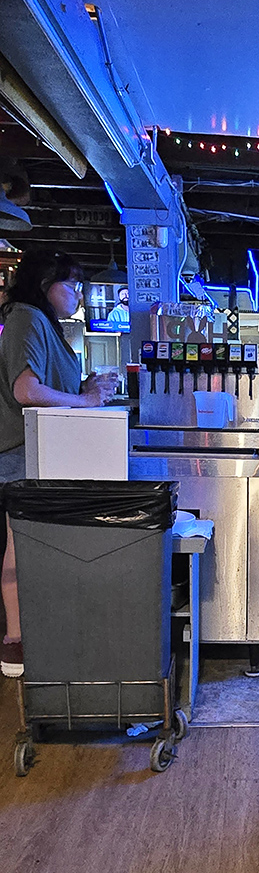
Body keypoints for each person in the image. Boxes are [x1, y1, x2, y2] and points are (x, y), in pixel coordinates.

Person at [0, 250, 118, 677]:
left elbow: (47, 387)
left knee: (37, 546)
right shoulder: (26, 318)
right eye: (71, 285)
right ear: (44, 283)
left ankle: (41, 635)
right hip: (22, 455)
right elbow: (27, 390)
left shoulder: (42, 323)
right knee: (23, 546)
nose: (78, 295)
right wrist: (85, 400)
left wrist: (85, 387)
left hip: (44, 454)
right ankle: (15, 643)